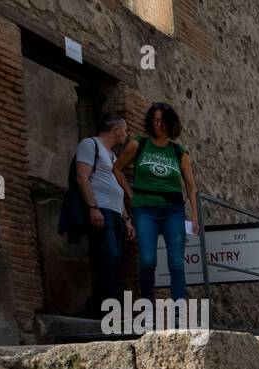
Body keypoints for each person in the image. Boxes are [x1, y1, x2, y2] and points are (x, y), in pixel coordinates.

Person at [115, 103, 199, 324]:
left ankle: (179, 315)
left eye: (162, 120)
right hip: (145, 210)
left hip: (173, 210)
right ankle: (149, 307)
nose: (158, 125)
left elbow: (190, 186)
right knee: (148, 261)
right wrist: (132, 196)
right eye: (154, 120)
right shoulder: (138, 144)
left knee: (176, 263)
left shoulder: (178, 152)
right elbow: (117, 169)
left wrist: (195, 216)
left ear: (171, 123)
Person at [73, 116, 135, 320]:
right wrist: (93, 207)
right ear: (117, 130)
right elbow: (82, 177)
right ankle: (107, 310)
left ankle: (100, 306)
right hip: (102, 211)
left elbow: (116, 189)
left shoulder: (113, 157)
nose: (125, 136)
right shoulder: (90, 145)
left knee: (114, 259)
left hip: (115, 214)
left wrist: (126, 219)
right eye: (124, 131)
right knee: (107, 258)